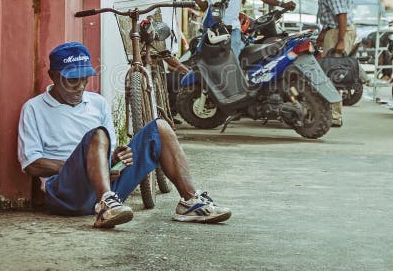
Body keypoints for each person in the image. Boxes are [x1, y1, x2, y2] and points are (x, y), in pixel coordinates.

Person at [18, 42, 232, 228]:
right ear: (53, 76)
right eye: (72, 80)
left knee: (160, 128)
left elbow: (107, 152)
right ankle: (106, 204)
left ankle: (190, 202)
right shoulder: (34, 109)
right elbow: (31, 165)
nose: (80, 87)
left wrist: (116, 159)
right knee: (97, 134)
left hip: (110, 187)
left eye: (85, 79)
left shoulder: (98, 103)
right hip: (67, 194)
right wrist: (84, 168)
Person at [309, 0, 355, 128]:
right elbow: (330, 14)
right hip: (333, 30)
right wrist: (323, 33)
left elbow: (341, 13)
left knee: (333, 73)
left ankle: (335, 115)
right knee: (329, 71)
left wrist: (341, 40)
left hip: (339, 31)